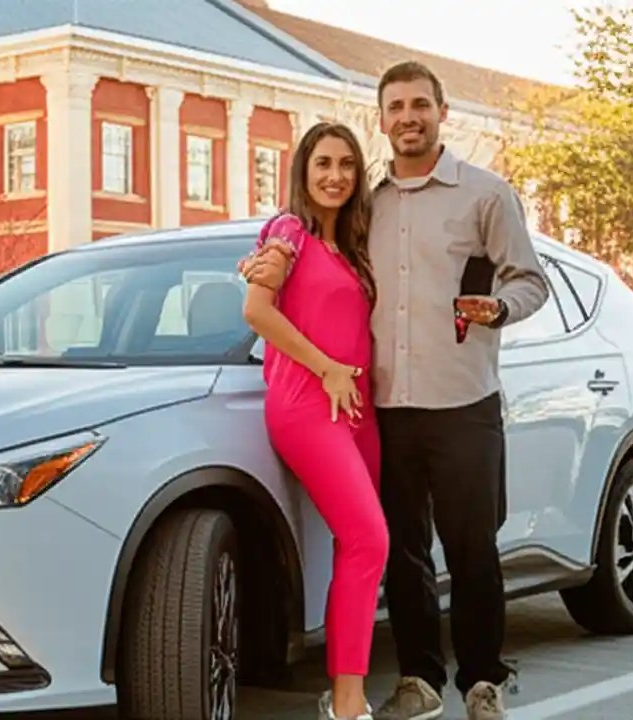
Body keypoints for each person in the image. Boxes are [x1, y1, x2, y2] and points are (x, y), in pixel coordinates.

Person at [241, 61, 549, 720]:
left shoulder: (486, 195)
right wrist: (258, 252)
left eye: (420, 105)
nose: (408, 117)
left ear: (442, 112)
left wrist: (497, 308)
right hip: (385, 408)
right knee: (401, 552)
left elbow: (531, 280)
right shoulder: (364, 205)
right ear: (381, 121)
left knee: (471, 547)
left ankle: (483, 680)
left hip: (464, 400)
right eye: (396, 108)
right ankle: (418, 679)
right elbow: (299, 257)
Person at [241, 121, 388, 720]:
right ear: (303, 171)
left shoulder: (352, 247)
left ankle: (345, 689)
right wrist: (327, 367)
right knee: (368, 539)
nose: (335, 176)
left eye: (347, 165)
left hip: (358, 412)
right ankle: (348, 707)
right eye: (323, 164)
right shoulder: (288, 231)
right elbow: (256, 309)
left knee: (359, 549)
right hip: (307, 403)